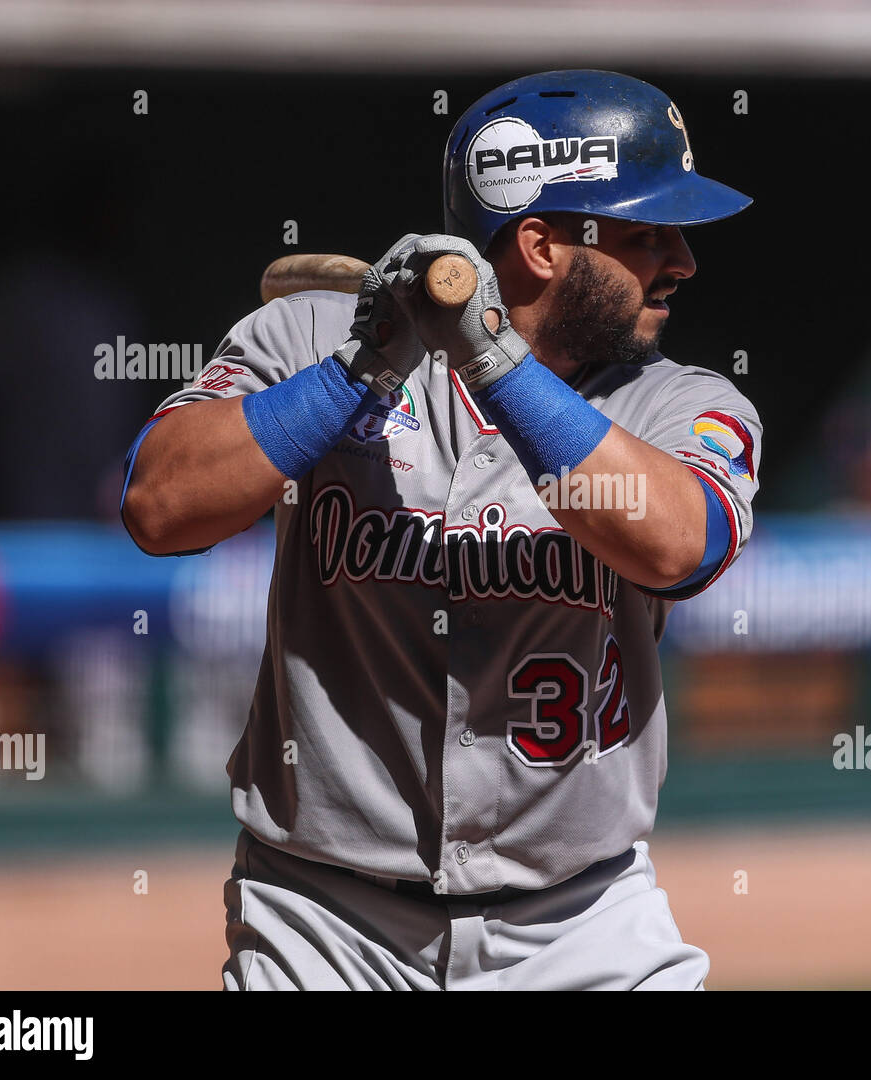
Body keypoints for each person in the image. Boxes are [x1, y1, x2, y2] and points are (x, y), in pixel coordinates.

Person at [121, 69, 761, 990]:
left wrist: (493, 360)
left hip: (581, 923)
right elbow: (159, 506)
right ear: (541, 244)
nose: (682, 260)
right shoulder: (316, 341)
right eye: (644, 234)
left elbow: (679, 547)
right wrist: (360, 369)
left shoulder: (679, 400)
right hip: (325, 923)